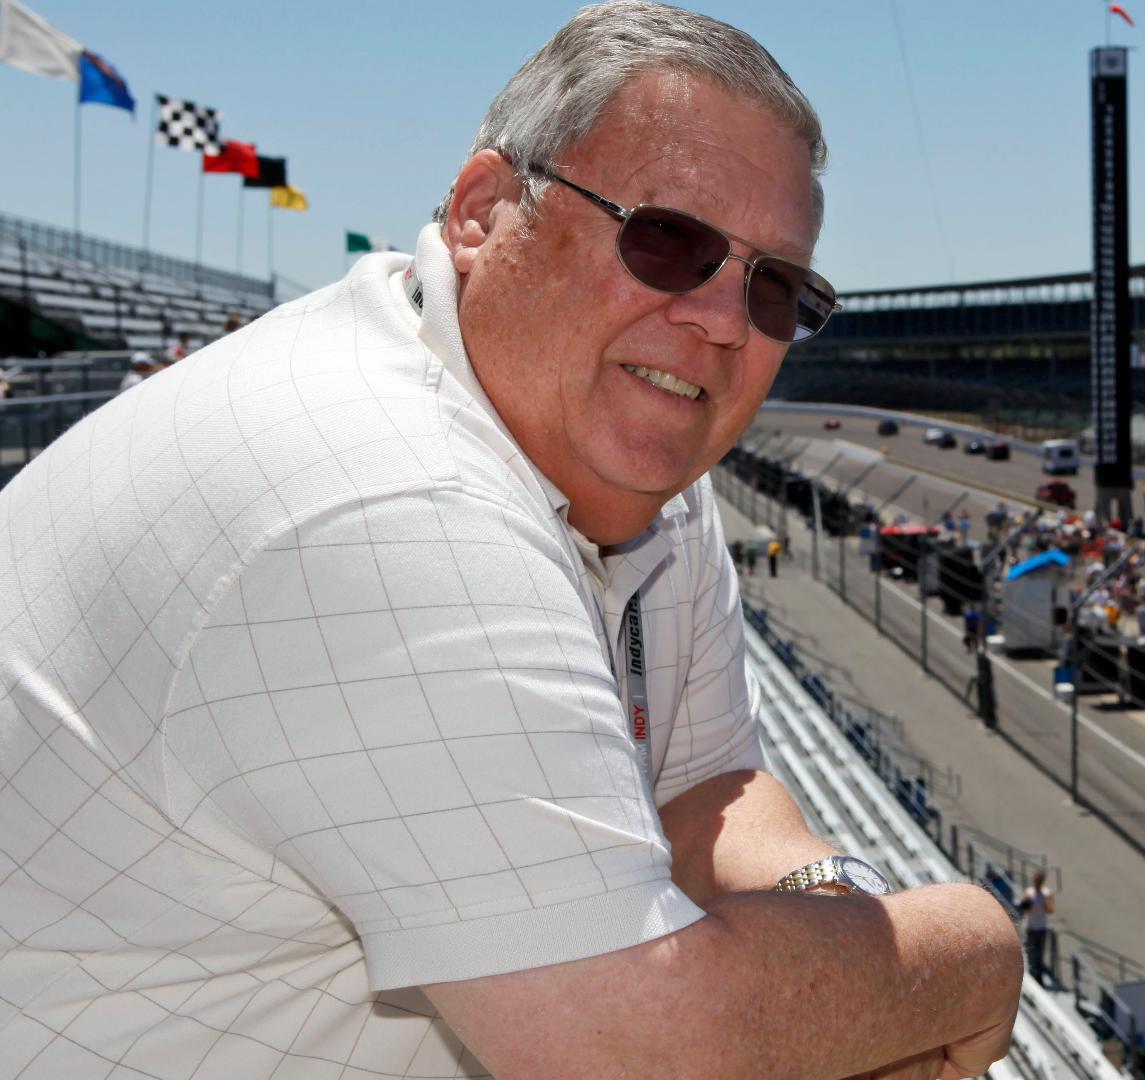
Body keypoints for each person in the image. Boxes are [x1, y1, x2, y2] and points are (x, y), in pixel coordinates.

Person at [0, 6, 1023, 1077]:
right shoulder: (388, 503)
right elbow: (641, 1049)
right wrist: (967, 955)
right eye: (669, 240)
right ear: (484, 210)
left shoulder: (633, 465)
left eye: (778, 290)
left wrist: (843, 935)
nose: (725, 320)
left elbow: (706, 790)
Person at [1019, 871, 1056, 987]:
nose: (1036, 882)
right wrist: (1027, 903)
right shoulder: (1029, 892)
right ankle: (1032, 974)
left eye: (1038, 880)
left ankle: (1039, 976)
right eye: (1035, 880)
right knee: (1030, 952)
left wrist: (1046, 905)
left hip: (1041, 927)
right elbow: (1024, 908)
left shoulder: (1046, 893)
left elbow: (1050, 909)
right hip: (1030, 926)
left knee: (1039, 952)